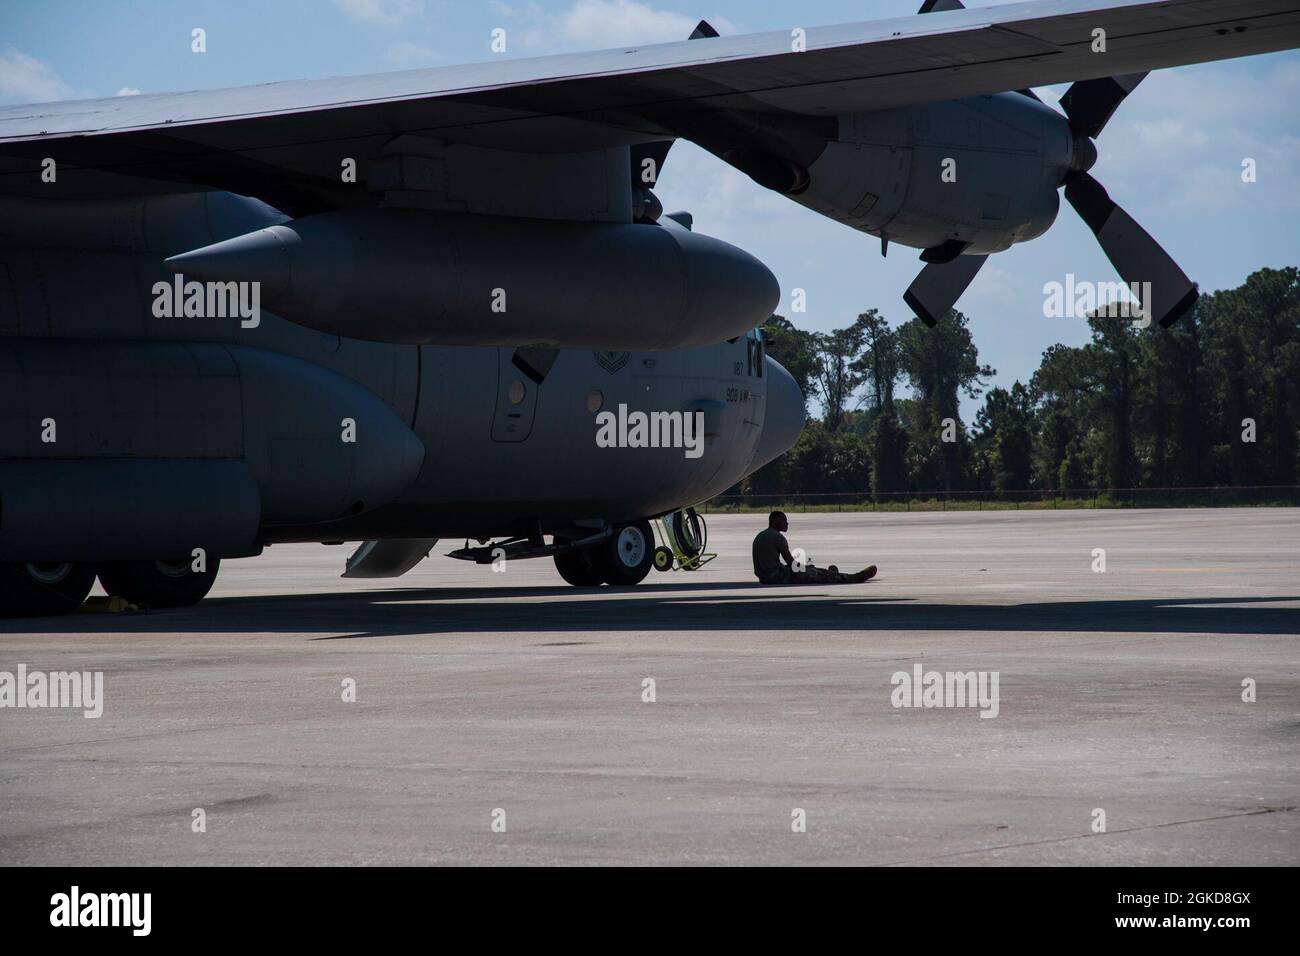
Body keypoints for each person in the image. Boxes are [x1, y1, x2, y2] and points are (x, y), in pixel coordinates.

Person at [751, 511, 877, 585]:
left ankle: (833, 573)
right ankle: (850, 577)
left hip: (764, 577)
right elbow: (791, 563)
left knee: (810, 569)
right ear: (776, 522)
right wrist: (806, 569)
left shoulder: (761, 535)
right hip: (777, 577)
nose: (787, 523)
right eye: (784, 521)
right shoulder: (777, 537)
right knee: (813, 573)